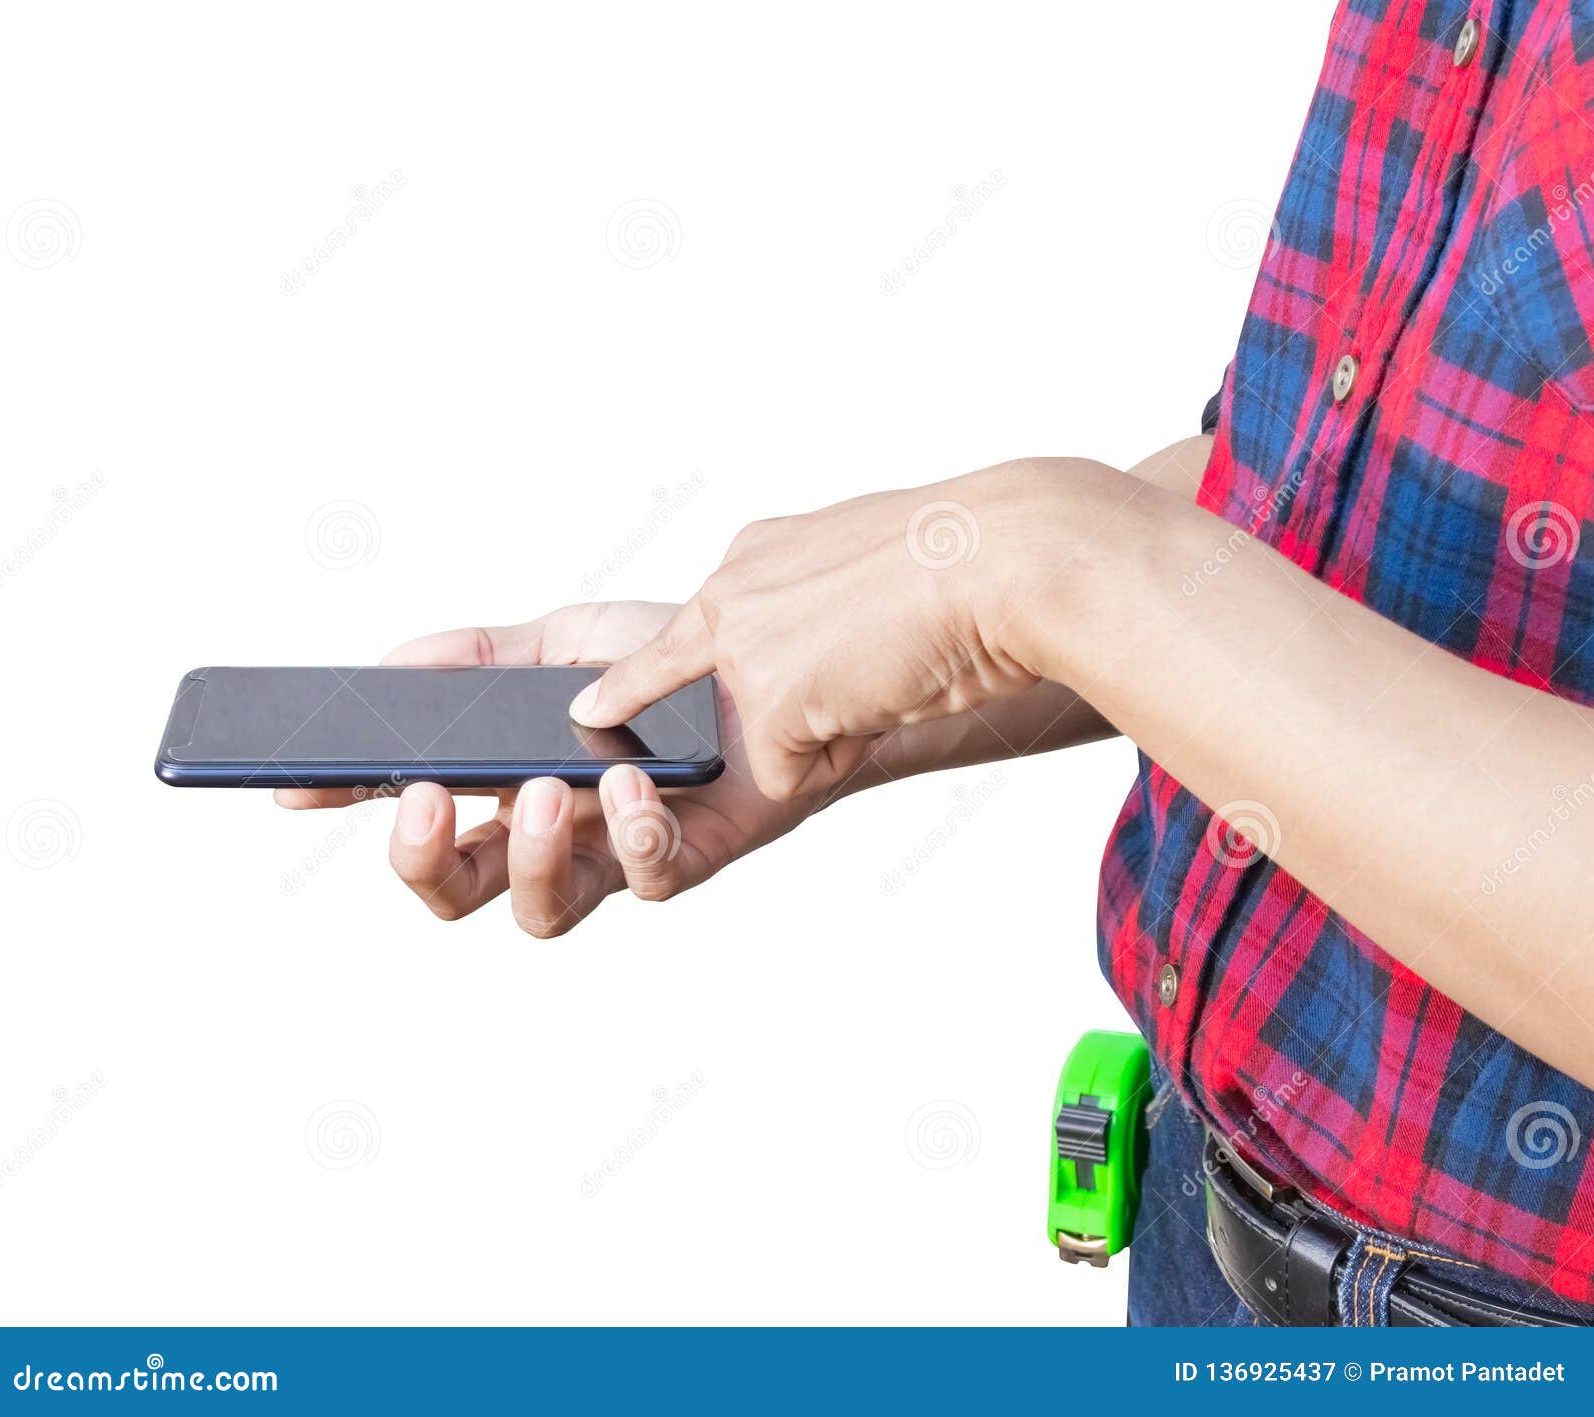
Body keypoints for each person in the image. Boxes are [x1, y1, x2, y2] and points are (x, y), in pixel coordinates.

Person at [279, 1, 1594, 1324]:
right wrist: (786, 681)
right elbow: (1311, 505)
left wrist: (1042, 566)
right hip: (1206, 1225)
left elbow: (1112, 574)